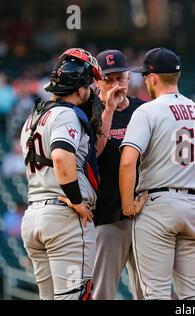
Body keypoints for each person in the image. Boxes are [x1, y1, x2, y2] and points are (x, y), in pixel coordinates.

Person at [119, 48, 195, 300]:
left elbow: (128, 161)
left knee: (156, 293)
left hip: (159, 204)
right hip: (194, 205)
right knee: (193, 293)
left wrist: (128, 204)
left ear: (152, 78)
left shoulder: (148, 111)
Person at [20, 48, 103, 300]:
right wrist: (77, 201)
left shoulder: (33, 118)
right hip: (63, 218)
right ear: (79, 89)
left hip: (34, 214)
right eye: (89, 85)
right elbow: (60, 156)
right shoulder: (66, 114)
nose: (91, 92)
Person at [91, 49, 145, 300]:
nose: (115, 84)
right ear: (97, 80)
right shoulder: (87, 110)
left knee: (149, 291)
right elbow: (94, 153)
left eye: (120, 78)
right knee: (102, 291)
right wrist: (109, 110)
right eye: (108, 79)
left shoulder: (143, 111)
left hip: (145, 214)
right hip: (106, 214)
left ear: (129, 78)